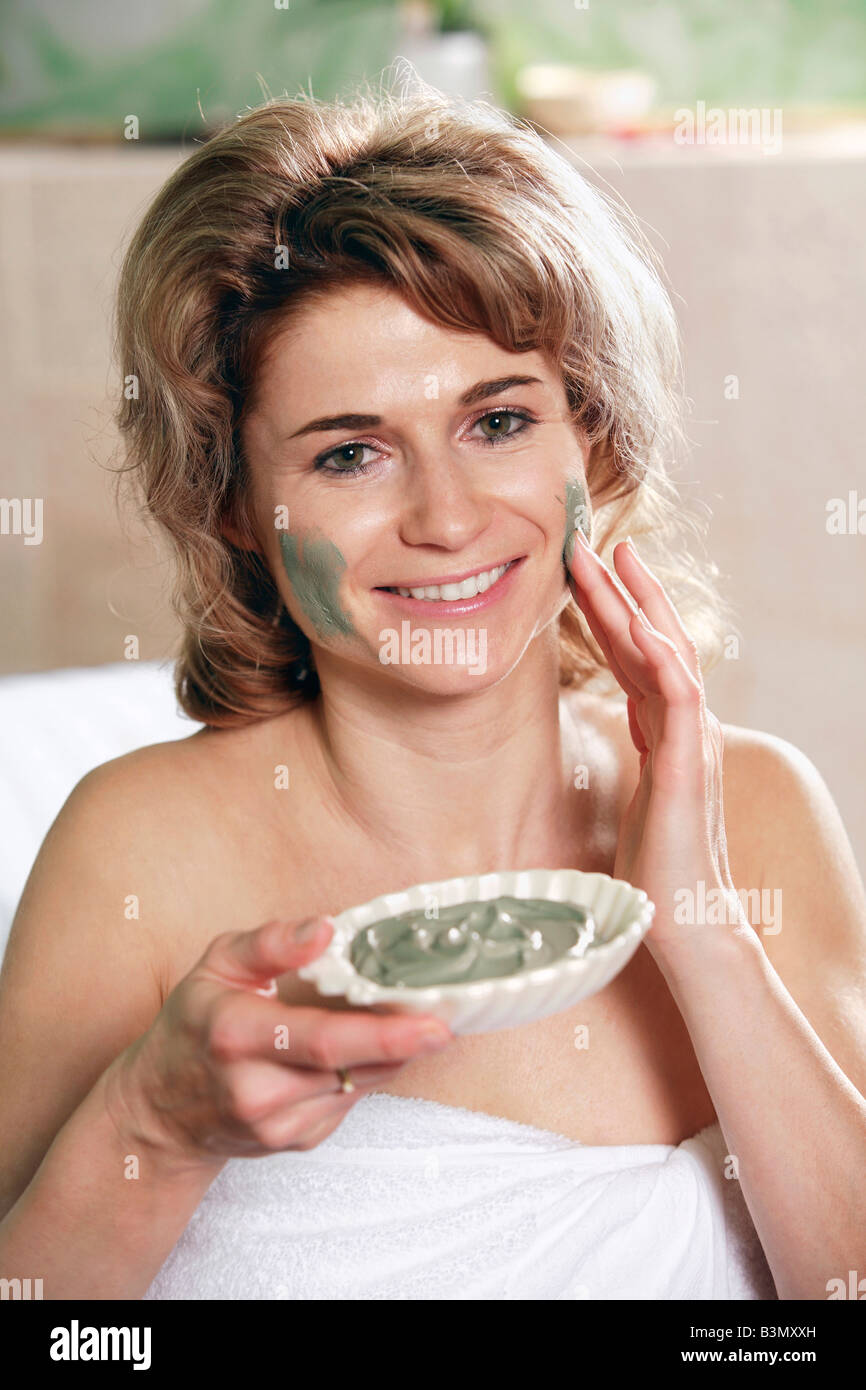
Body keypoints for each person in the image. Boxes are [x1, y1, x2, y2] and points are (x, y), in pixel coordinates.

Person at [1, 70, 864, 1301]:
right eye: (350, 453)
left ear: (592, 435)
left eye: (497, 422)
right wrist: (150, 1124)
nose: (447, 519)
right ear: (235, 505)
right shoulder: (135, 851)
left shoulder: (760, 805)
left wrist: (707, 934)